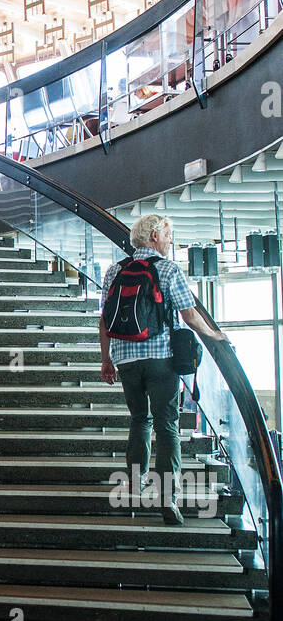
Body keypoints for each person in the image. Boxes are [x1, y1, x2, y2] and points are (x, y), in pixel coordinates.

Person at [99, 214, 227, 525]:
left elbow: (104, 320)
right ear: (154, 236)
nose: (170, 241)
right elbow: (190, 316)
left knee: (139, 420)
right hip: (160, 359)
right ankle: (167, 497)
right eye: (168, 235)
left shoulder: (115, 271)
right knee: (166, 425)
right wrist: (215, 335)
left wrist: (107, 360)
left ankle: (133, 482)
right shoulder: (168, 269)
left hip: (126, 360)